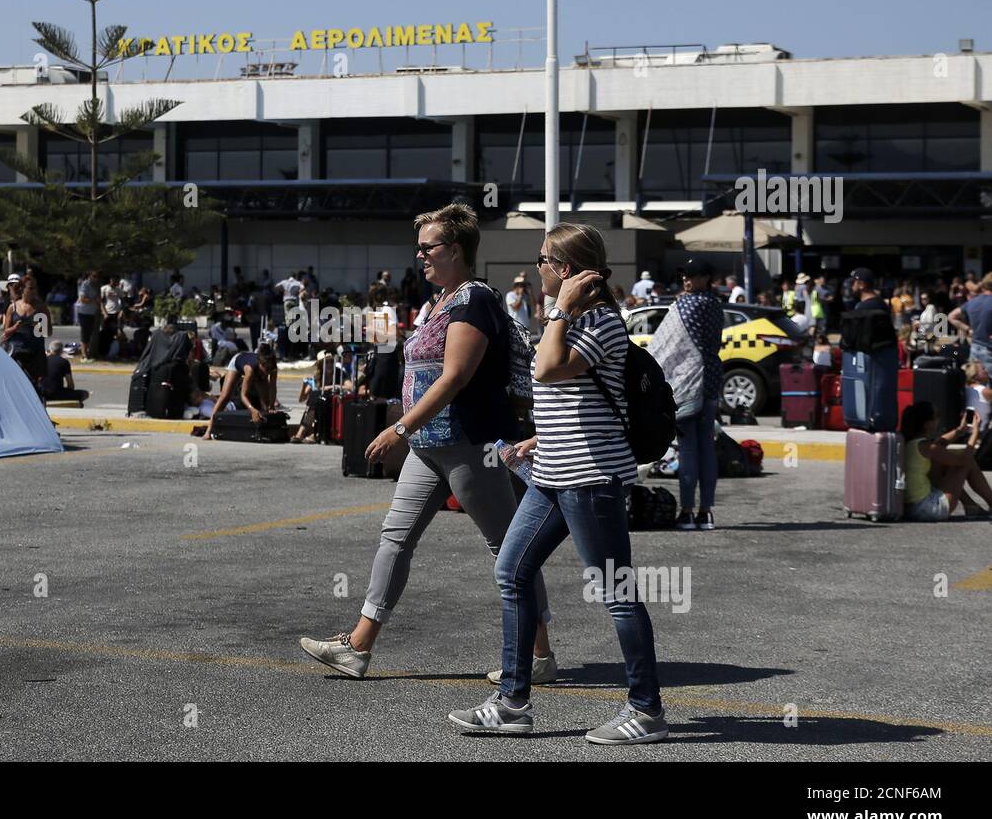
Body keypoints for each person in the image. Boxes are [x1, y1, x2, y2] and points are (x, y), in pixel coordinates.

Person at [299, 203, 554, 681]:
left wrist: (400, 427)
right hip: (430, 447)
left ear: (455, 250)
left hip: (471, 442)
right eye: (419, 247)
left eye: (428, 247)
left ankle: (539, 657)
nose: (420, 256)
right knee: (395, 539)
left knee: (507, 548)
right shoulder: (438, 301)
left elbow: (455, 375)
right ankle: (358, 646)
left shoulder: (473, 300)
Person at [448, 221, 664, 743]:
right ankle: (514, 703)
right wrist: (537, 442)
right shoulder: (569, 323)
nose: (536, 267)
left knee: (616, 591)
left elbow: (546, 370)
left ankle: (646, 710)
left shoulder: (601, 324)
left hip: (591, 479)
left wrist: (561, 308)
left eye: (544, 260)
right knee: (513, 571)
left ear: (566, 271)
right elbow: (572, 404)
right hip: (551, 475)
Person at [658, 257, 724, 530]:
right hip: (710, 381)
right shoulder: (716, 305)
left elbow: (664, 344)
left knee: (687, 449)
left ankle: (687, 512)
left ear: (706, 277)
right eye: (684, 275)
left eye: (692, 275)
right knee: (707, 446)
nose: (686, 280)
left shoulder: (685, 304)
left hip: (686, 383)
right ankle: (706, 512)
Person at [900, 401, 992, 521]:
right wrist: (975, 432)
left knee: (939, 464)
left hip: (911, 509)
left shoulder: (912, 442)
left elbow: (939, 444)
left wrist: (960, 430)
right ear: (927, 424)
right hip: (930, 509)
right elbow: (964, 459)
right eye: (937, 416)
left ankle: (971, 506)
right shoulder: (927, 447)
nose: (939, 420)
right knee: (967, 461)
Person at [200, 343, 278, 440]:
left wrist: (272, 405)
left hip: (255, 371)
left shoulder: (273, 369)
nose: (266, 372)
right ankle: (209, 430)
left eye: (269, 369)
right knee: (224, 397)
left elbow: (273, 388)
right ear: (260, 363)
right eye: (265, 368)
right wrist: (252, 409)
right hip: (237, 363)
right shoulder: (250, 370)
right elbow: (243, 395)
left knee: (265, 404)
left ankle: (264, 430)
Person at [3, 279, 49, 388]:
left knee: (34, 386)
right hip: (17, 352)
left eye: (35, 288)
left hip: (35, 353)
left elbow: (48, 332)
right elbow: (6, 331)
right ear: (22, 289)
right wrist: (15, 327)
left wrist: (39, 326)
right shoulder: (12, 307)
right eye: (31, 288)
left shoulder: (40, 307)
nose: (34, 291)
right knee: (16, 385)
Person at [947, 273, 992, 371]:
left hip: (975, 348)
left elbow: (951, 316)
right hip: (989, 349)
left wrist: (968, 329)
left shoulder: (972, 302)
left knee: (974, 381)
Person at [75, 271, 101, 361]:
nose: (96, 278)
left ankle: (87, 352)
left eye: (97, 276)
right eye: (94, 276)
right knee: (85, 333)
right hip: (84, 312)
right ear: (89, 276)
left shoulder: (96, 285)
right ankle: (84, 355)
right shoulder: (85, 284)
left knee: (89, 333)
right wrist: (94, 301)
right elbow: (82, 299)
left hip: (92, 312)